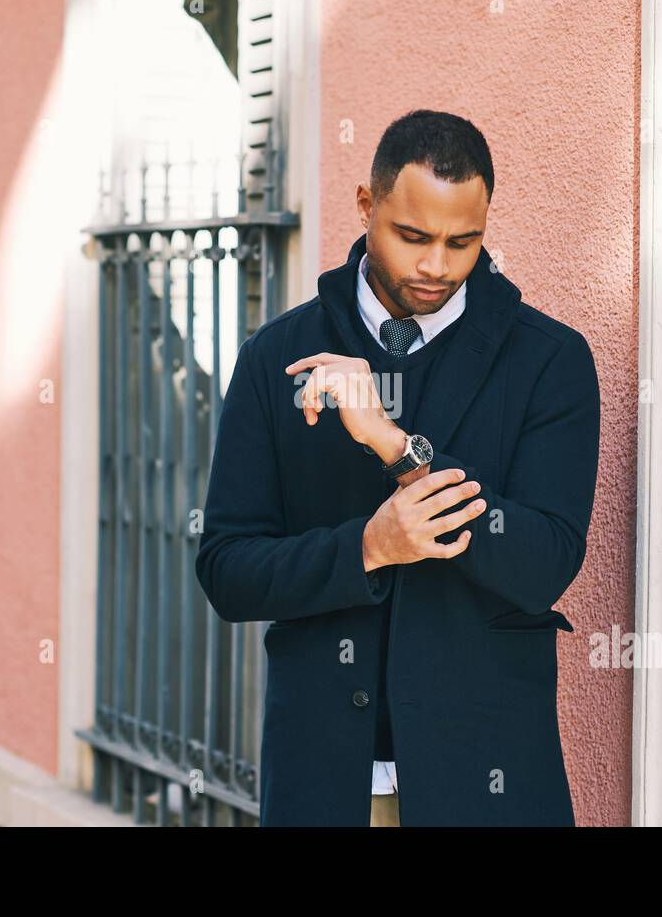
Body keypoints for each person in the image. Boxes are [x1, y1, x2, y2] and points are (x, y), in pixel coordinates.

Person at [195, 109, 601, 826]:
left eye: (462, 241)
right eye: (413, 236)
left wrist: (398, 448)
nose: (436, 265)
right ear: (365, 205)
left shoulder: (549, 361)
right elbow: (228, 569)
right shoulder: (273, 357)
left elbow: (544, 565)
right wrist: (368, 548)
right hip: (326, 781)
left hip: (487, 780)